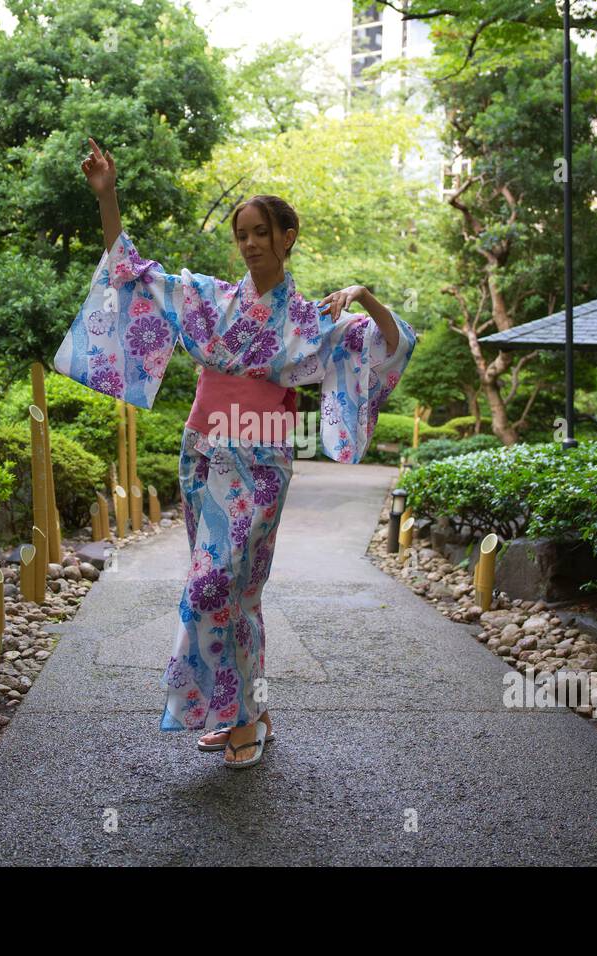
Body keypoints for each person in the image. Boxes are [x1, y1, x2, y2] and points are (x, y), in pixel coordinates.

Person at [53, 137, 417, 768]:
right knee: (233, 592)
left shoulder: (310, 318)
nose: (249, 244)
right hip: (201, 451)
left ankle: (240, 715)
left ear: (287, 236)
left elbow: (390, 344)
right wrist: (106, 195)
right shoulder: (212, 298)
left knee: (214, 582)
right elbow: (130, 272)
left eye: (260, 233)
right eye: (241, 234)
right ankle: (246, 710)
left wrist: (360, 293)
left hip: (262, 458)